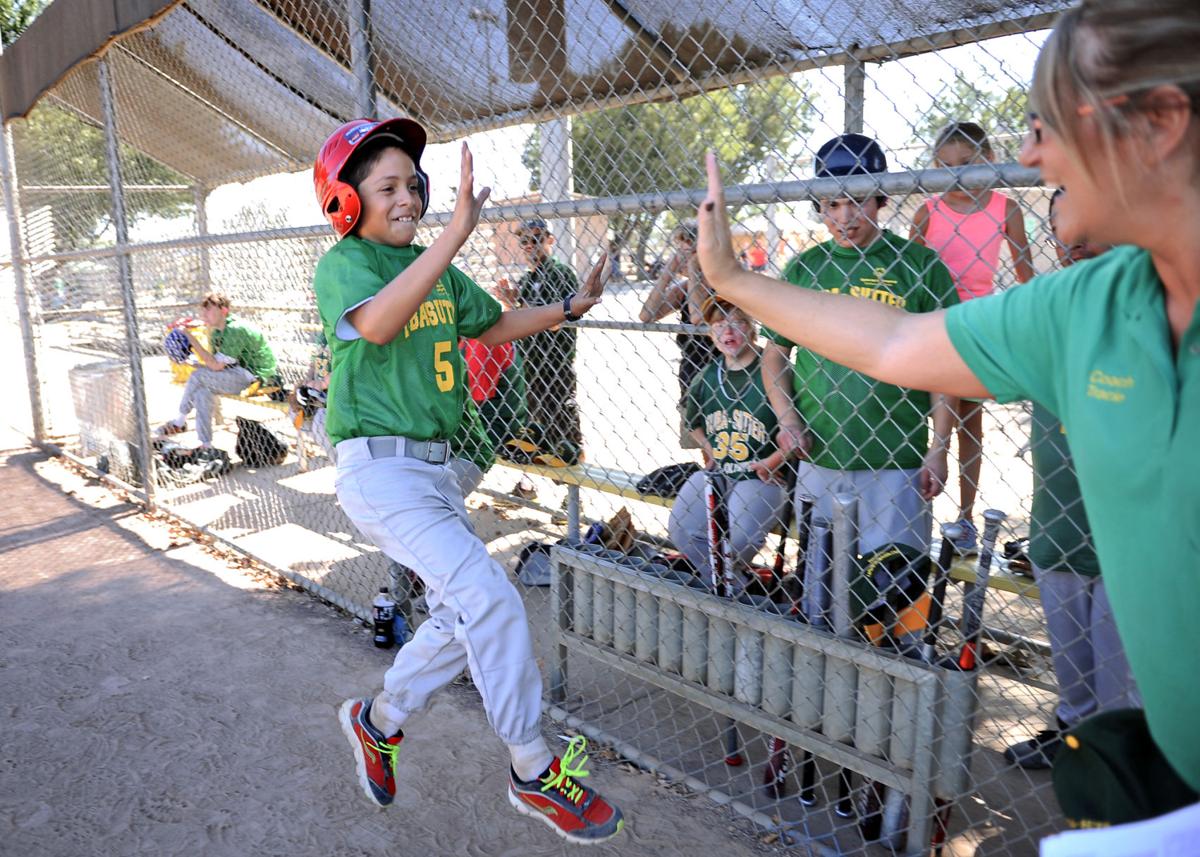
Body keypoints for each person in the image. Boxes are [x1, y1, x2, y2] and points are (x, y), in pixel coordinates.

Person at [695, 0, 1200, 820]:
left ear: (1164, 120)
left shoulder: (938, 262)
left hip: (895, 474)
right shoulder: (1081, 304)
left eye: (1051, 120)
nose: (1029, 151)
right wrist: (739, 282)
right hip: (1168, 765)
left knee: (897, 613)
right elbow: (896, 343)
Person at [311, 118, 623, 844]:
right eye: (386, 186)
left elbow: (491, 324)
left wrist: (569, 308)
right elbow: (381, 324)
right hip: (379, 470)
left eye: (412, 185)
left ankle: (379, 719)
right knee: (489, 594)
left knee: (463, 611)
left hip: (436, 470)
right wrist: (452, 236)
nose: (408, 197)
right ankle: (532, 767)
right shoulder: (346, 264)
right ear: (344, 202)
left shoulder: (438, 269)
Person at [761, 133, 959, 561]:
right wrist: (787, 417)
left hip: (897, 457)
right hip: (820, 454)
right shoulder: (805, 268)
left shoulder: (920, 266)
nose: (845, 216)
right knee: (821, 583)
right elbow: (775, 351)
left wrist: (938, 450)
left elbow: (947, 364)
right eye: (832, 204)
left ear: (880, 199)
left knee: (895, 587)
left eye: (858, 201)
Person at [1005, 188, 1139, 770]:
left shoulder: (1153, 309)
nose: (1075, 242)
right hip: (1056, 526)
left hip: (1126, 537)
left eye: (1089, 225)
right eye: (1064, 231)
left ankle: (1120, 760)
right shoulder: (1048, 312)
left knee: (1121, 676)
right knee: (1071, 662)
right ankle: (1071, 734)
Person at [912, 121, 1036, 551]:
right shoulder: (928, 210)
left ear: (986, 161)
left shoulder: (1005, 209)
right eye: (945, 168)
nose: (957, 176)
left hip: (977, 324)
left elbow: (1026, 277)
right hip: (932, 321)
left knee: (970, 422)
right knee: (916, 418)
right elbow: (910, 270)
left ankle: (964, 517)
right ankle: (917, 505)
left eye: (966, 165)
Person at [667, 296, 787, 585]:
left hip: (764, 475)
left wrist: (777, 460)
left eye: (737, 323)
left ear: (753, 329)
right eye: (719, 325)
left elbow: (800, 429)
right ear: (711, 334)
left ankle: (727, 585)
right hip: (721, 470)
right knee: (681, 529)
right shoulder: (709, 375)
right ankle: (728, 583)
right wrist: (710, 450)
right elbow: (691, 420)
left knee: (740, 538)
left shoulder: (774, 372)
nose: (728, 333)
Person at [497, 219, 584, 468]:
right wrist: (510, 303)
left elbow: (557, 319)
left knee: (564, 429)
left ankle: (577, 493)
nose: (529, 245)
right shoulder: (525, 281)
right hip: (530, 365)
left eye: (536, 239)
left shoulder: (560, 273)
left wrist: (517, 304)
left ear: (550, 240)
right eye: (524, 241)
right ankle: (532, 484)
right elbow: (521, 320)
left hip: (555, 364)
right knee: (537, 430)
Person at [157, 292, 278, 451]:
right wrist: (187, 360)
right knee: (202, 393)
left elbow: (215, 366)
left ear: (224, 311)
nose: (204, 314)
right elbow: (217, 366)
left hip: (254, 378)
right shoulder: (217, 332)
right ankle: (206, 444)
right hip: (236, 372)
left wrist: (191, 338)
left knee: (197, 376)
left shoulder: (235, 329)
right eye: (203, 310)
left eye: (209, 310)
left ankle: (179, 421)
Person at [639, 221, 720, 447]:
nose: (681, 254)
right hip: (691, 371)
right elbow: (646, 314)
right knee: (702, 442)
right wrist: (667, 273)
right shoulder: (684, 289)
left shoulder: (723, 283)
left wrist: (694, 266)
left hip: (720, 370)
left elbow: (697, 316)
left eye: (688, 247)